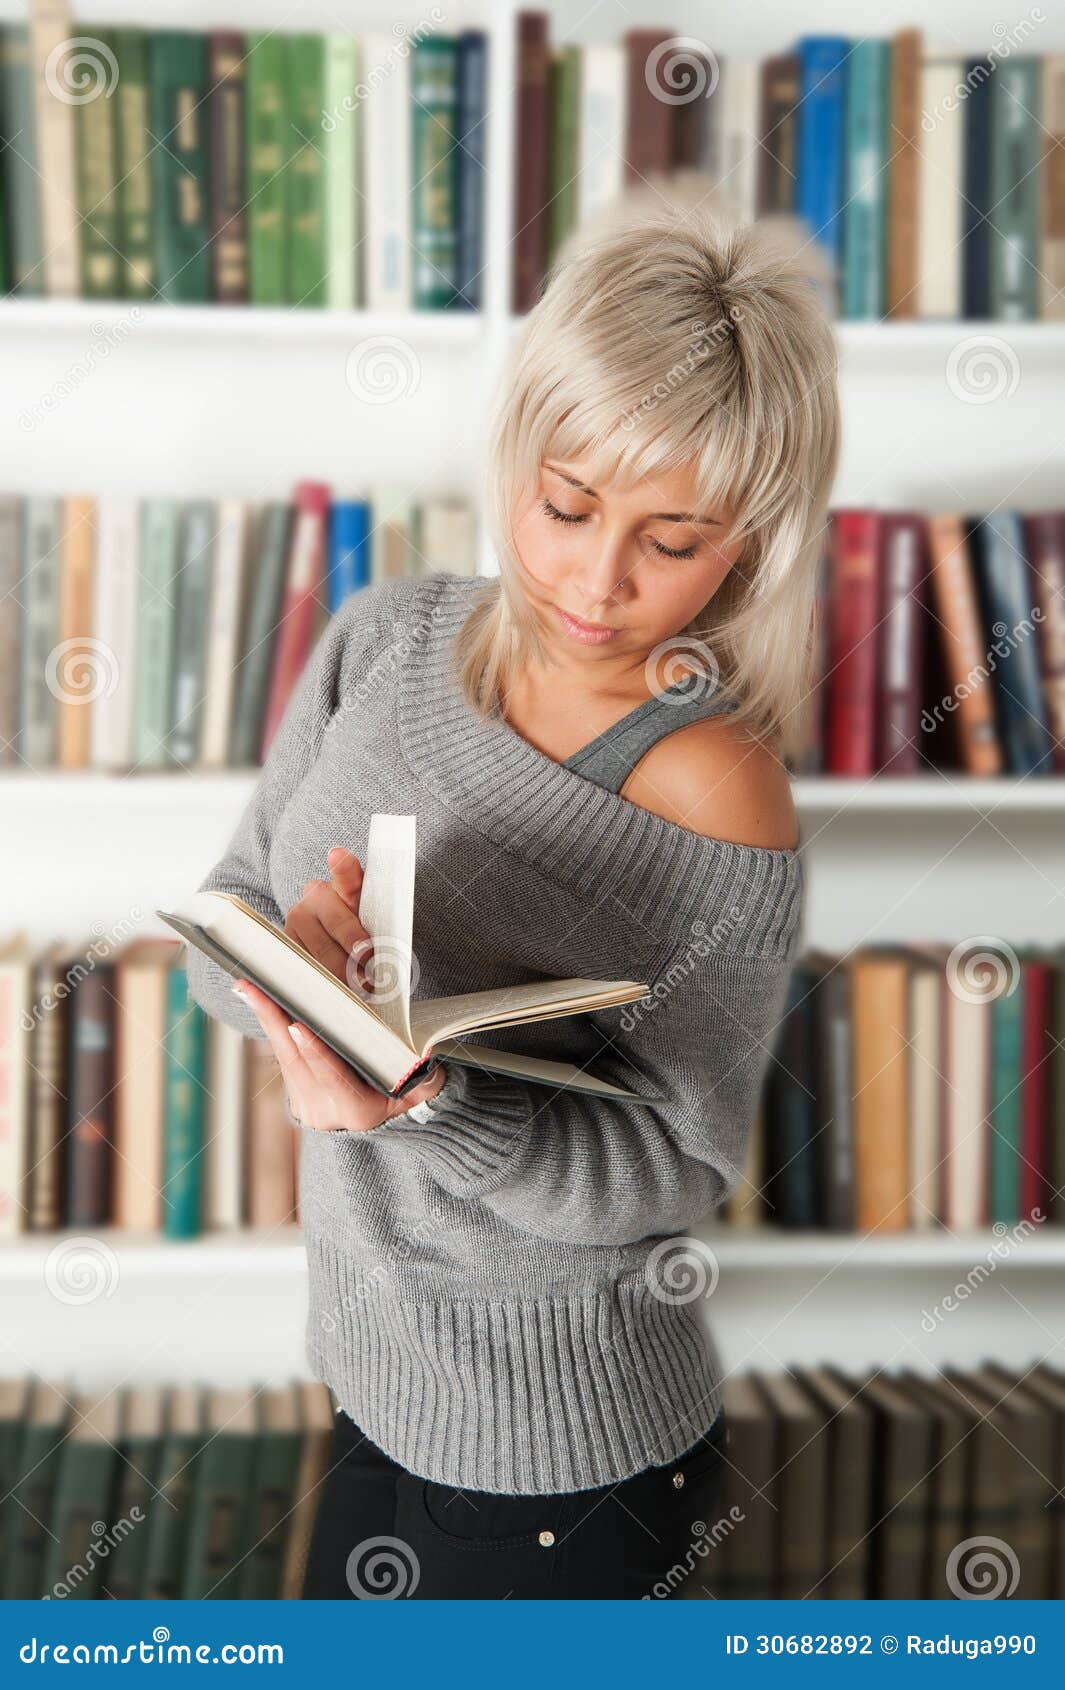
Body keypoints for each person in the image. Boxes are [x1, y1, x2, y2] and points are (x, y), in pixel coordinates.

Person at [185, 191, 840, 1600]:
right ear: (517, 451)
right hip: (367, 1374)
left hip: (568, 1457)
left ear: (748, 542)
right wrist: (297, 981)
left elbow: (675, 1169)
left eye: (672, 539)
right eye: (566, 504)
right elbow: (224, 910)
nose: (595, 582)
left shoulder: (711, 785)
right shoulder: (384, 634)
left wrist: (426, 1099)